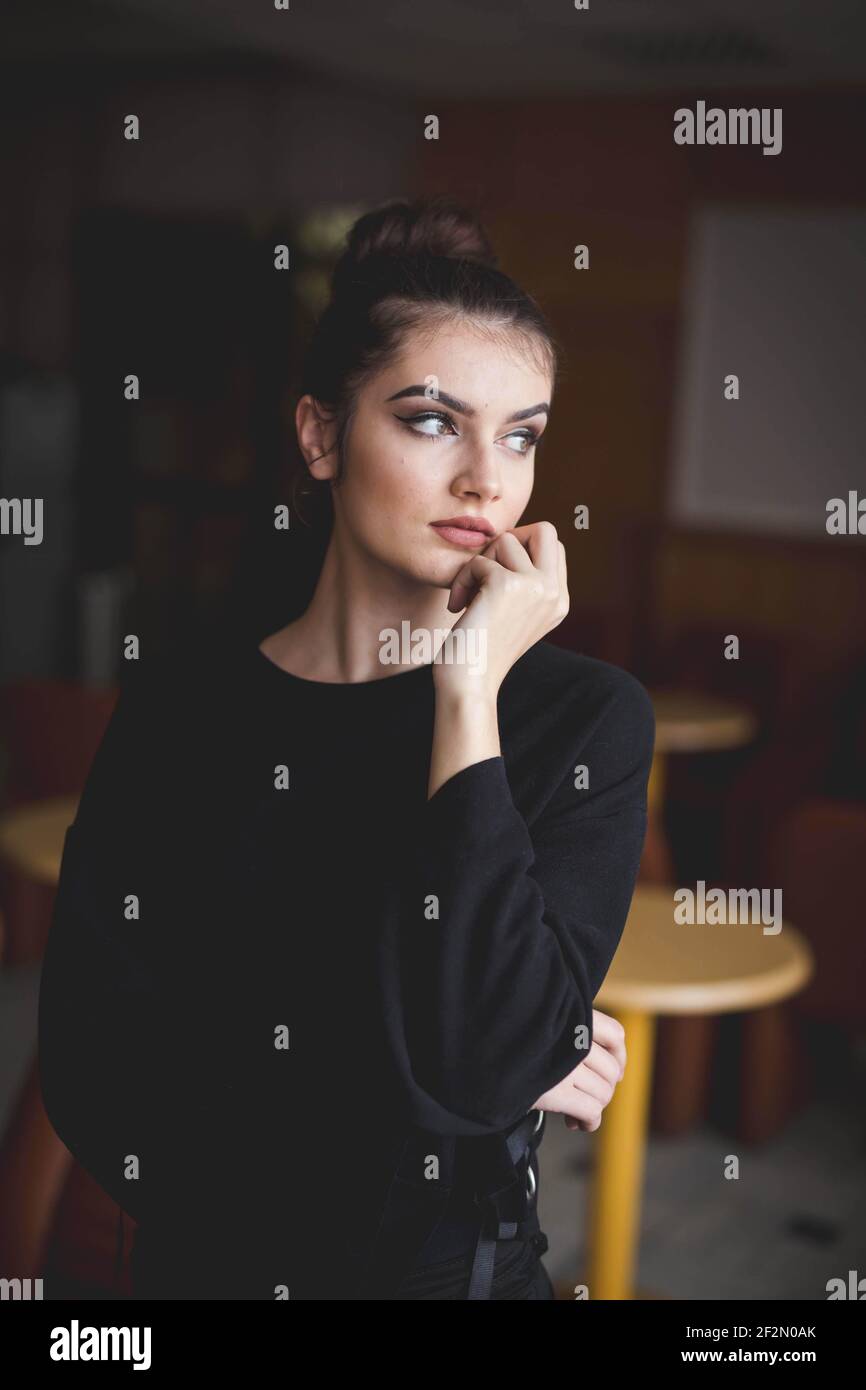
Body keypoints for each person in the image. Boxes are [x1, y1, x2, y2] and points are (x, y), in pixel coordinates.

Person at [37, 194, 654, 1301]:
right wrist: (456, 1069)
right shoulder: (182, 706)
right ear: (320, 432)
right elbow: (96, 1071)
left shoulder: (581, 720)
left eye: (520, 433)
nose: (487, 477)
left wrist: (466, 692)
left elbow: (486, 1060)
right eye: (432, 420)